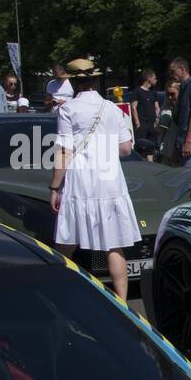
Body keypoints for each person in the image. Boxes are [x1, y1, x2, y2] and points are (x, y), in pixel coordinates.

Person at [48, 59, 140, 301]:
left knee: (67, 241)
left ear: (73, 82)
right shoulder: (111, 108)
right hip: (109, 179)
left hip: (81, 180)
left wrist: (55, 187)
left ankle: (58, 290)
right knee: (114, 244)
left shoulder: (68, 109)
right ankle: (122, 302)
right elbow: (126, 149)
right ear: (95, 79)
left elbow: (65, 151)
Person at [168, 57, 191, 168]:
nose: (171, 74)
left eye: (173, 71)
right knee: (184, 176)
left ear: (182, 69)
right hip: (182, 140)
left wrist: (188, 142)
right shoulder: (184, 88)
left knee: (190, 177)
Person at [128, 69, 159, 149]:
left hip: (152, 124)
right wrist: (137, 123)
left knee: (151, 148)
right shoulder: (137, 91)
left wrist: (157, 120)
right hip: (142, 124)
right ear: (148, 78)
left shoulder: (153, 92)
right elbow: (133, 107)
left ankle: (151, 162)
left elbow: (157, 107)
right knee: (142, 148)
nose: (156, 80)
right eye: (154, 78)